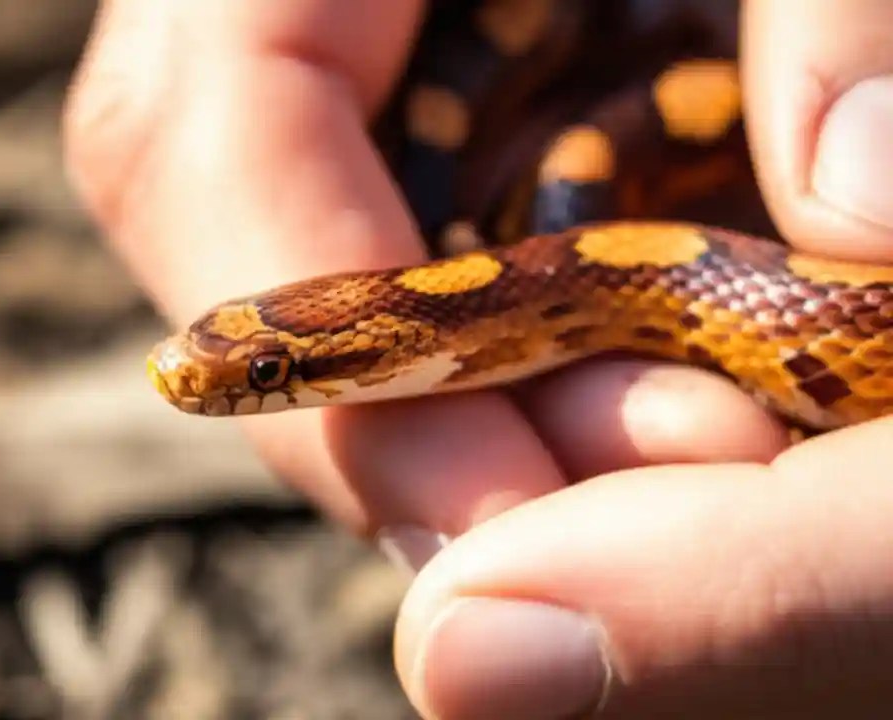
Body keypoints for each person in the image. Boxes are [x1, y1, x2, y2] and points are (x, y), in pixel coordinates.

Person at [64, 2, 893, 717]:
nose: (189, 376)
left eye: (271, 374)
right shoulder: (553, 269)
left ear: (393, 347)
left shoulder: (562, 269)